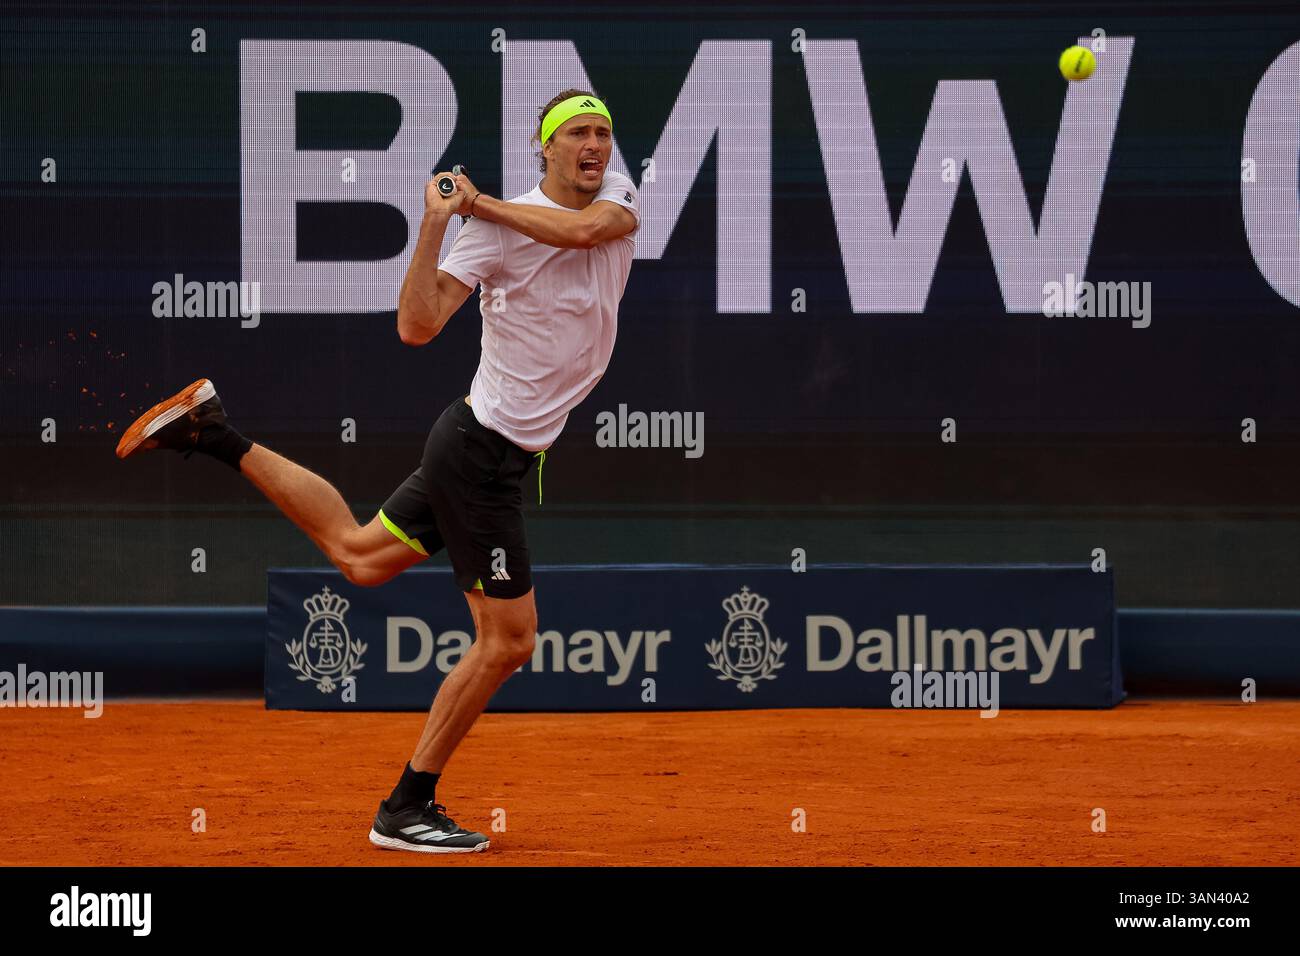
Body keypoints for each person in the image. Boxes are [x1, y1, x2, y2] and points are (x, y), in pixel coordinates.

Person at [115, 89, 640, 853]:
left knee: (359, 558)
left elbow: (589, 232)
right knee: (509, 642)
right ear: (545, 146)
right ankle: (406, 805)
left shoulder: (614, 197)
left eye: (603, 132)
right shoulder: (490, 238)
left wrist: (478, 206)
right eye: (579, 134)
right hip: (478, 453)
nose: (595, 145)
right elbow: (416, 325)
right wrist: (435, 224)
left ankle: (213, 431)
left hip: (487, 448)